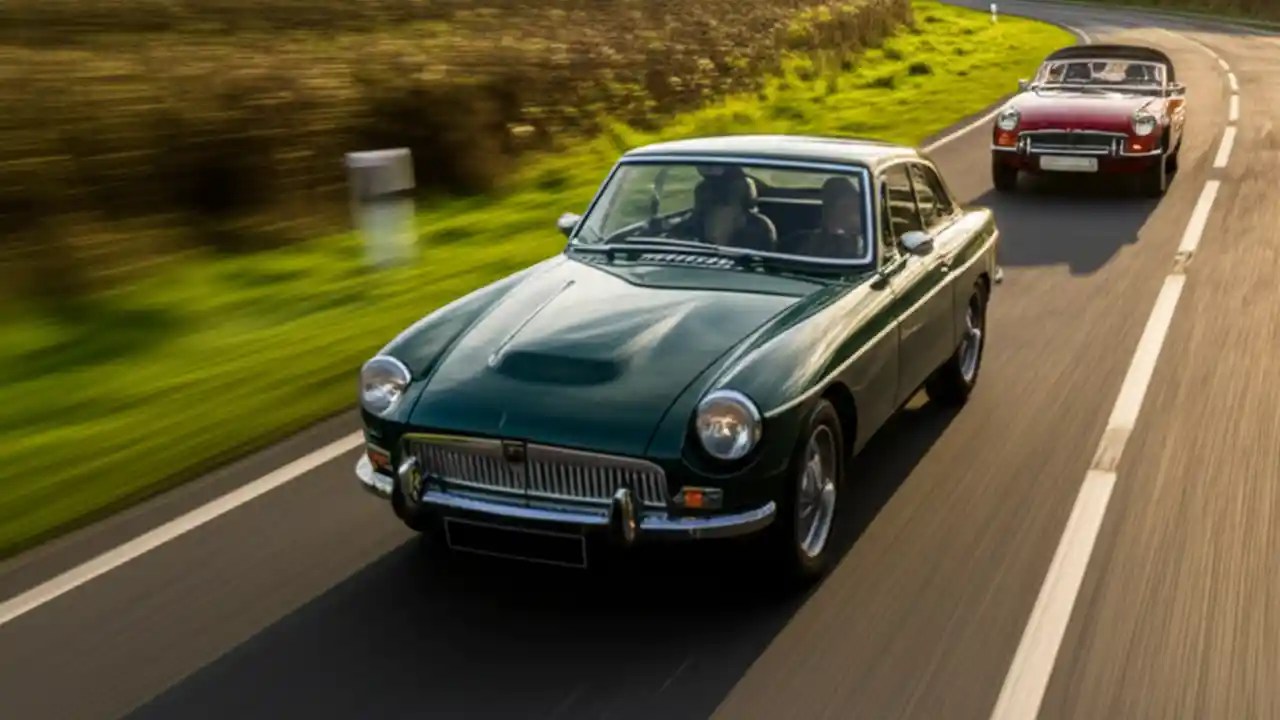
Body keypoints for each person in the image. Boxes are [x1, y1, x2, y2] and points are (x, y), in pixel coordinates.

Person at [788, 175, 867, 260]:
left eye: (853, 207)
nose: (849, 213)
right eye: (844, 207)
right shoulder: (800, 241)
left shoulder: (869, 243)